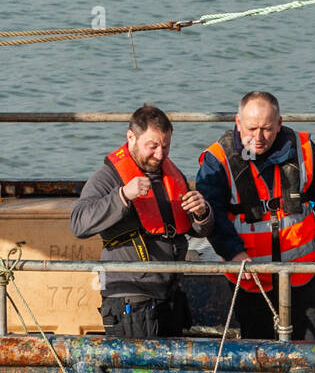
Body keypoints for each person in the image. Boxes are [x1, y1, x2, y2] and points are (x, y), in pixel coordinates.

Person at [196, 91, 315, 340]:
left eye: (266, 129)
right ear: (237, 122)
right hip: (252, 278)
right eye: (251, 128)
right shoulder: (218, 159)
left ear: (279, 124)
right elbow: (211, 215)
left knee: (308, 353)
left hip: (302, 276)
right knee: (257, 356)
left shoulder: (304, 150)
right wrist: (233, 251)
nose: (258, 137)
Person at [70, 104, 212, 337]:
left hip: (170, 294)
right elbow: (78, 223)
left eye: (165, 146)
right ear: (131, 138)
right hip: (130, 297)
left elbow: (198, 230)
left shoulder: (171, 174)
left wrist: (202, 213)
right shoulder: (107, 177)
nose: (159, 154)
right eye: (152, 146)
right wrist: (123, 196)